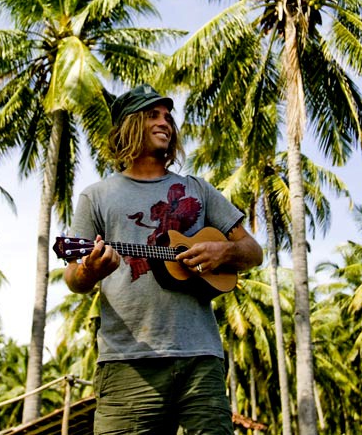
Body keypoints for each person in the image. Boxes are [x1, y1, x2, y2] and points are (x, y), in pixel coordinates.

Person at [65, 83, 263, 435]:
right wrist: (90, 270)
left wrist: (224, 251)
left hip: (201, 357)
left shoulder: (198, 189)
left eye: (168, 117)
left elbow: (253, 251)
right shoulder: (96, 196)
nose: (165, 123)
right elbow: (73, 278)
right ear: (128, 124)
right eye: (152, 115)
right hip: (128, 361)